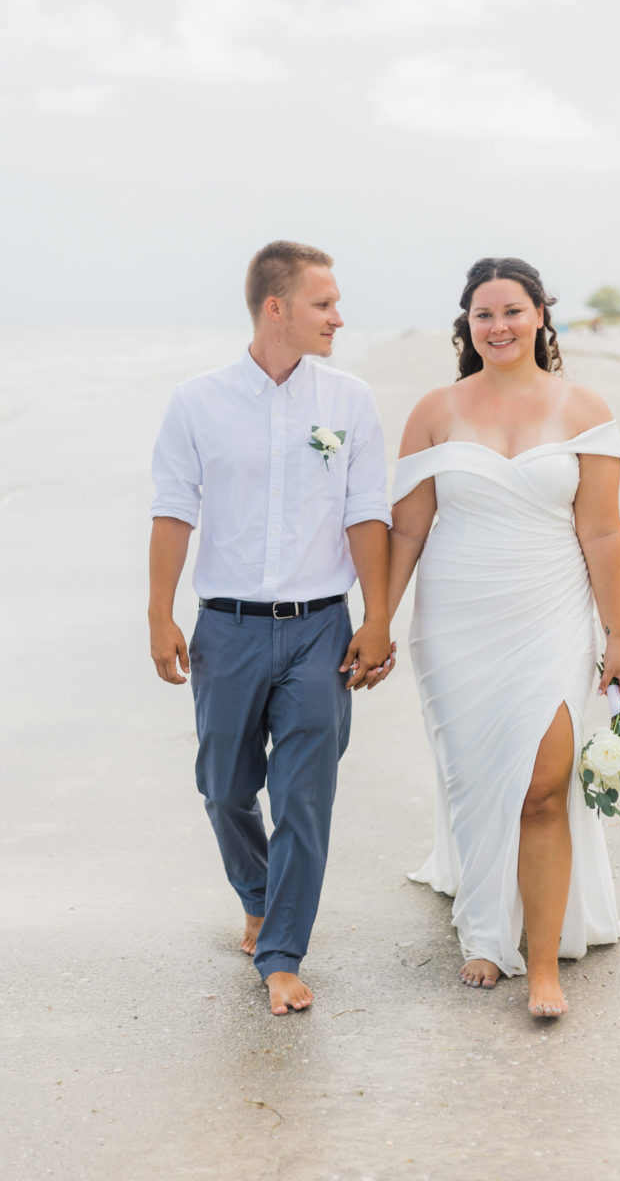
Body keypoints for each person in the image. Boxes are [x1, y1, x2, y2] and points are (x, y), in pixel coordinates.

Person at [148, 240, 392, 1016]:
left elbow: (367, 514)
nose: (338, 317)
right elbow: (174, 509)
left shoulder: (349, 401)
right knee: (224, 789)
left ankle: (281, 952)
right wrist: (160, 614)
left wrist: (379, 617)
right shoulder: (196, 401)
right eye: (325, 304)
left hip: (323, 628)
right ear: (275, 307)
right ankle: (256, 893)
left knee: (304, 797)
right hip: (227, 627)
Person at [386, 257, 620, 1018]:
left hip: (551, 614)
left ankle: (544, 966)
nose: (498, 326)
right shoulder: (435, 409)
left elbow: (602, 531)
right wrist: (376, 622)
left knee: (542, 788)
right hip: (456, 621)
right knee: (474, 780)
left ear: (540, 317)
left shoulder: (583, 406)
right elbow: (409, 530)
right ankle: (485, 934)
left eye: (512, 311)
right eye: (484, 314)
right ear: (467, 324)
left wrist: (616, 636)